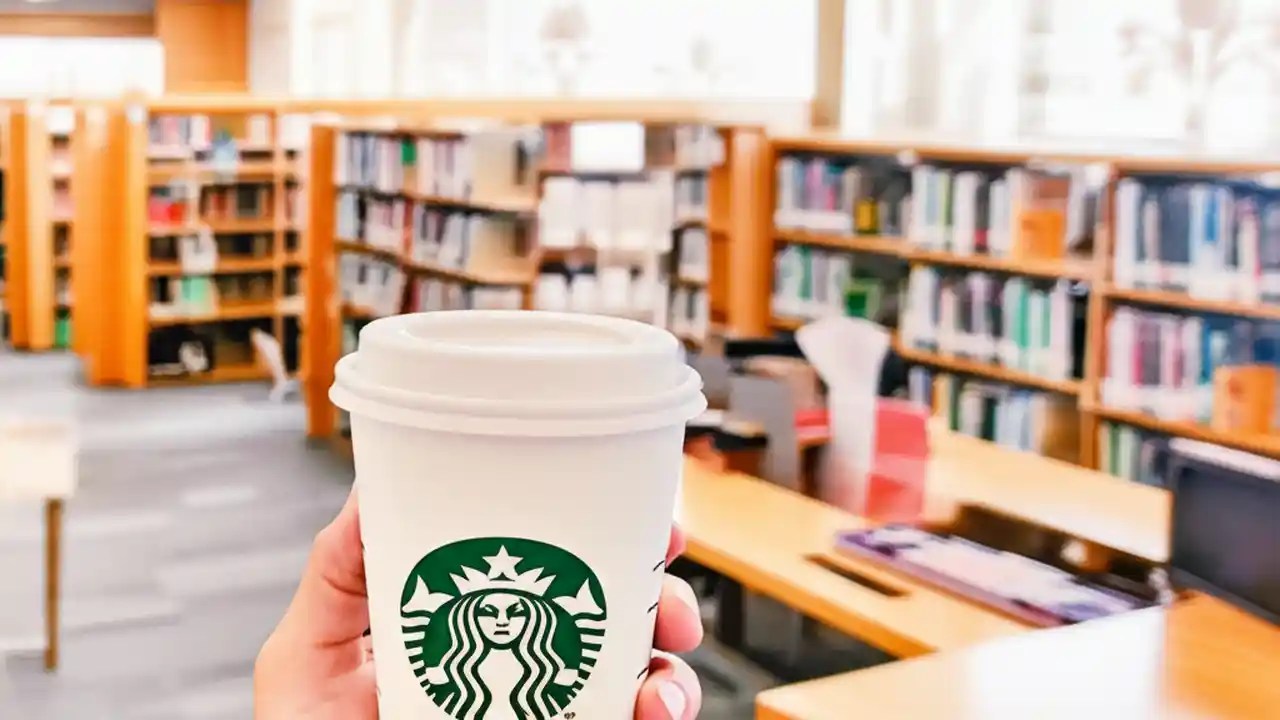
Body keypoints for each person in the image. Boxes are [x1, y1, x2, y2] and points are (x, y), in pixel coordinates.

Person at [254, 489, 704, 719]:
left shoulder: (551, 673)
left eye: (517, 611)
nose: (503, 621)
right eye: (489, 610)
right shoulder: (449, 673)